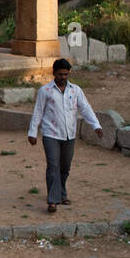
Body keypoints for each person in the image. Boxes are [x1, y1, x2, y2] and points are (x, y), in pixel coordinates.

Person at [27, 58, 103, 214]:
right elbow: (38, 112)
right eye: (60, 74)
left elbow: (85, 108)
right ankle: (53, 200)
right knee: (53, 166)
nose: (63, 77)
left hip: (69, 134)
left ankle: (62, 194)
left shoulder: (75, 90)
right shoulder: (45, 91)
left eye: (66, 74)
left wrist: (96, 125)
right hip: (51, 134)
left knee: (65, 166)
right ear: (54, 73)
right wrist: (32, 132)